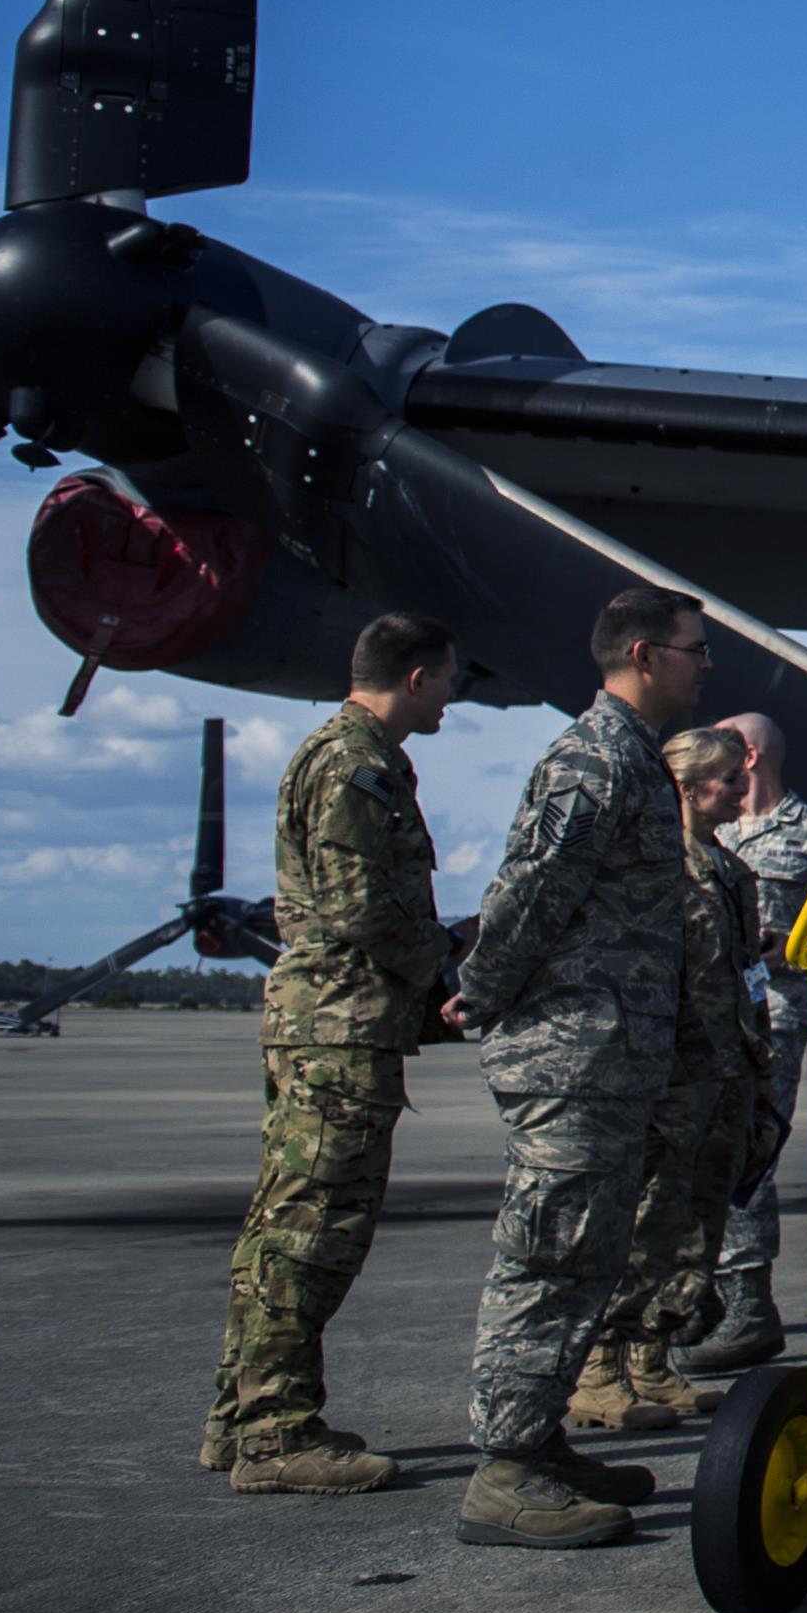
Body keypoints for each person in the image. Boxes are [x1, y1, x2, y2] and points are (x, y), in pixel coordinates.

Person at [449, 585, 712, 1549]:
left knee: (591, 1251)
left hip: (612, 1051)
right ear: (643, 654)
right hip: (571, 1050)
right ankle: (503, 1470)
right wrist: (481, 987)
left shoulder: (635, 756)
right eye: (694, 648)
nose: (705, 665)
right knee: (549, 1250)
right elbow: (530, 888)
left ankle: (538, 1440)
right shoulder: (592, 757)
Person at [201, 612, 467, 1494]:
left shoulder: (354, 755)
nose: (454, 696)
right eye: (450, 679)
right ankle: (276, 1434)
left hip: (330, 1021)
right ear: (417, 677)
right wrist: (445, 963)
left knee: (284, 1221)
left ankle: (241, 1416)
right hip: (340, 1027)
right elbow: (359, 906)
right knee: (315, 1228)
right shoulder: (354, 762)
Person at [571, 726, 781, 1431]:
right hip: (667, 1073)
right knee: (643, 1221)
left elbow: (747, 979)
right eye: (727, 779)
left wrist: (758, 1068)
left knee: (697, 1225)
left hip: (724, 1072)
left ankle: (652, 1359)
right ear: (686, 788)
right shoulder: (651, 866)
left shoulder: (732, 873)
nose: (741, 790)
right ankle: (600, 1370)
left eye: (740, 777)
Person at [681, 711, 807, 1375]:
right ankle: (696, 1293)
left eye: (726, 738)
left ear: (751, 754)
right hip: (702, 1012)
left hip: (775, 1014)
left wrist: (796, 944)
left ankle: (748, 1304)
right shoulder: (706, 821)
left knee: (747, 1152)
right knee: (695, 1152)